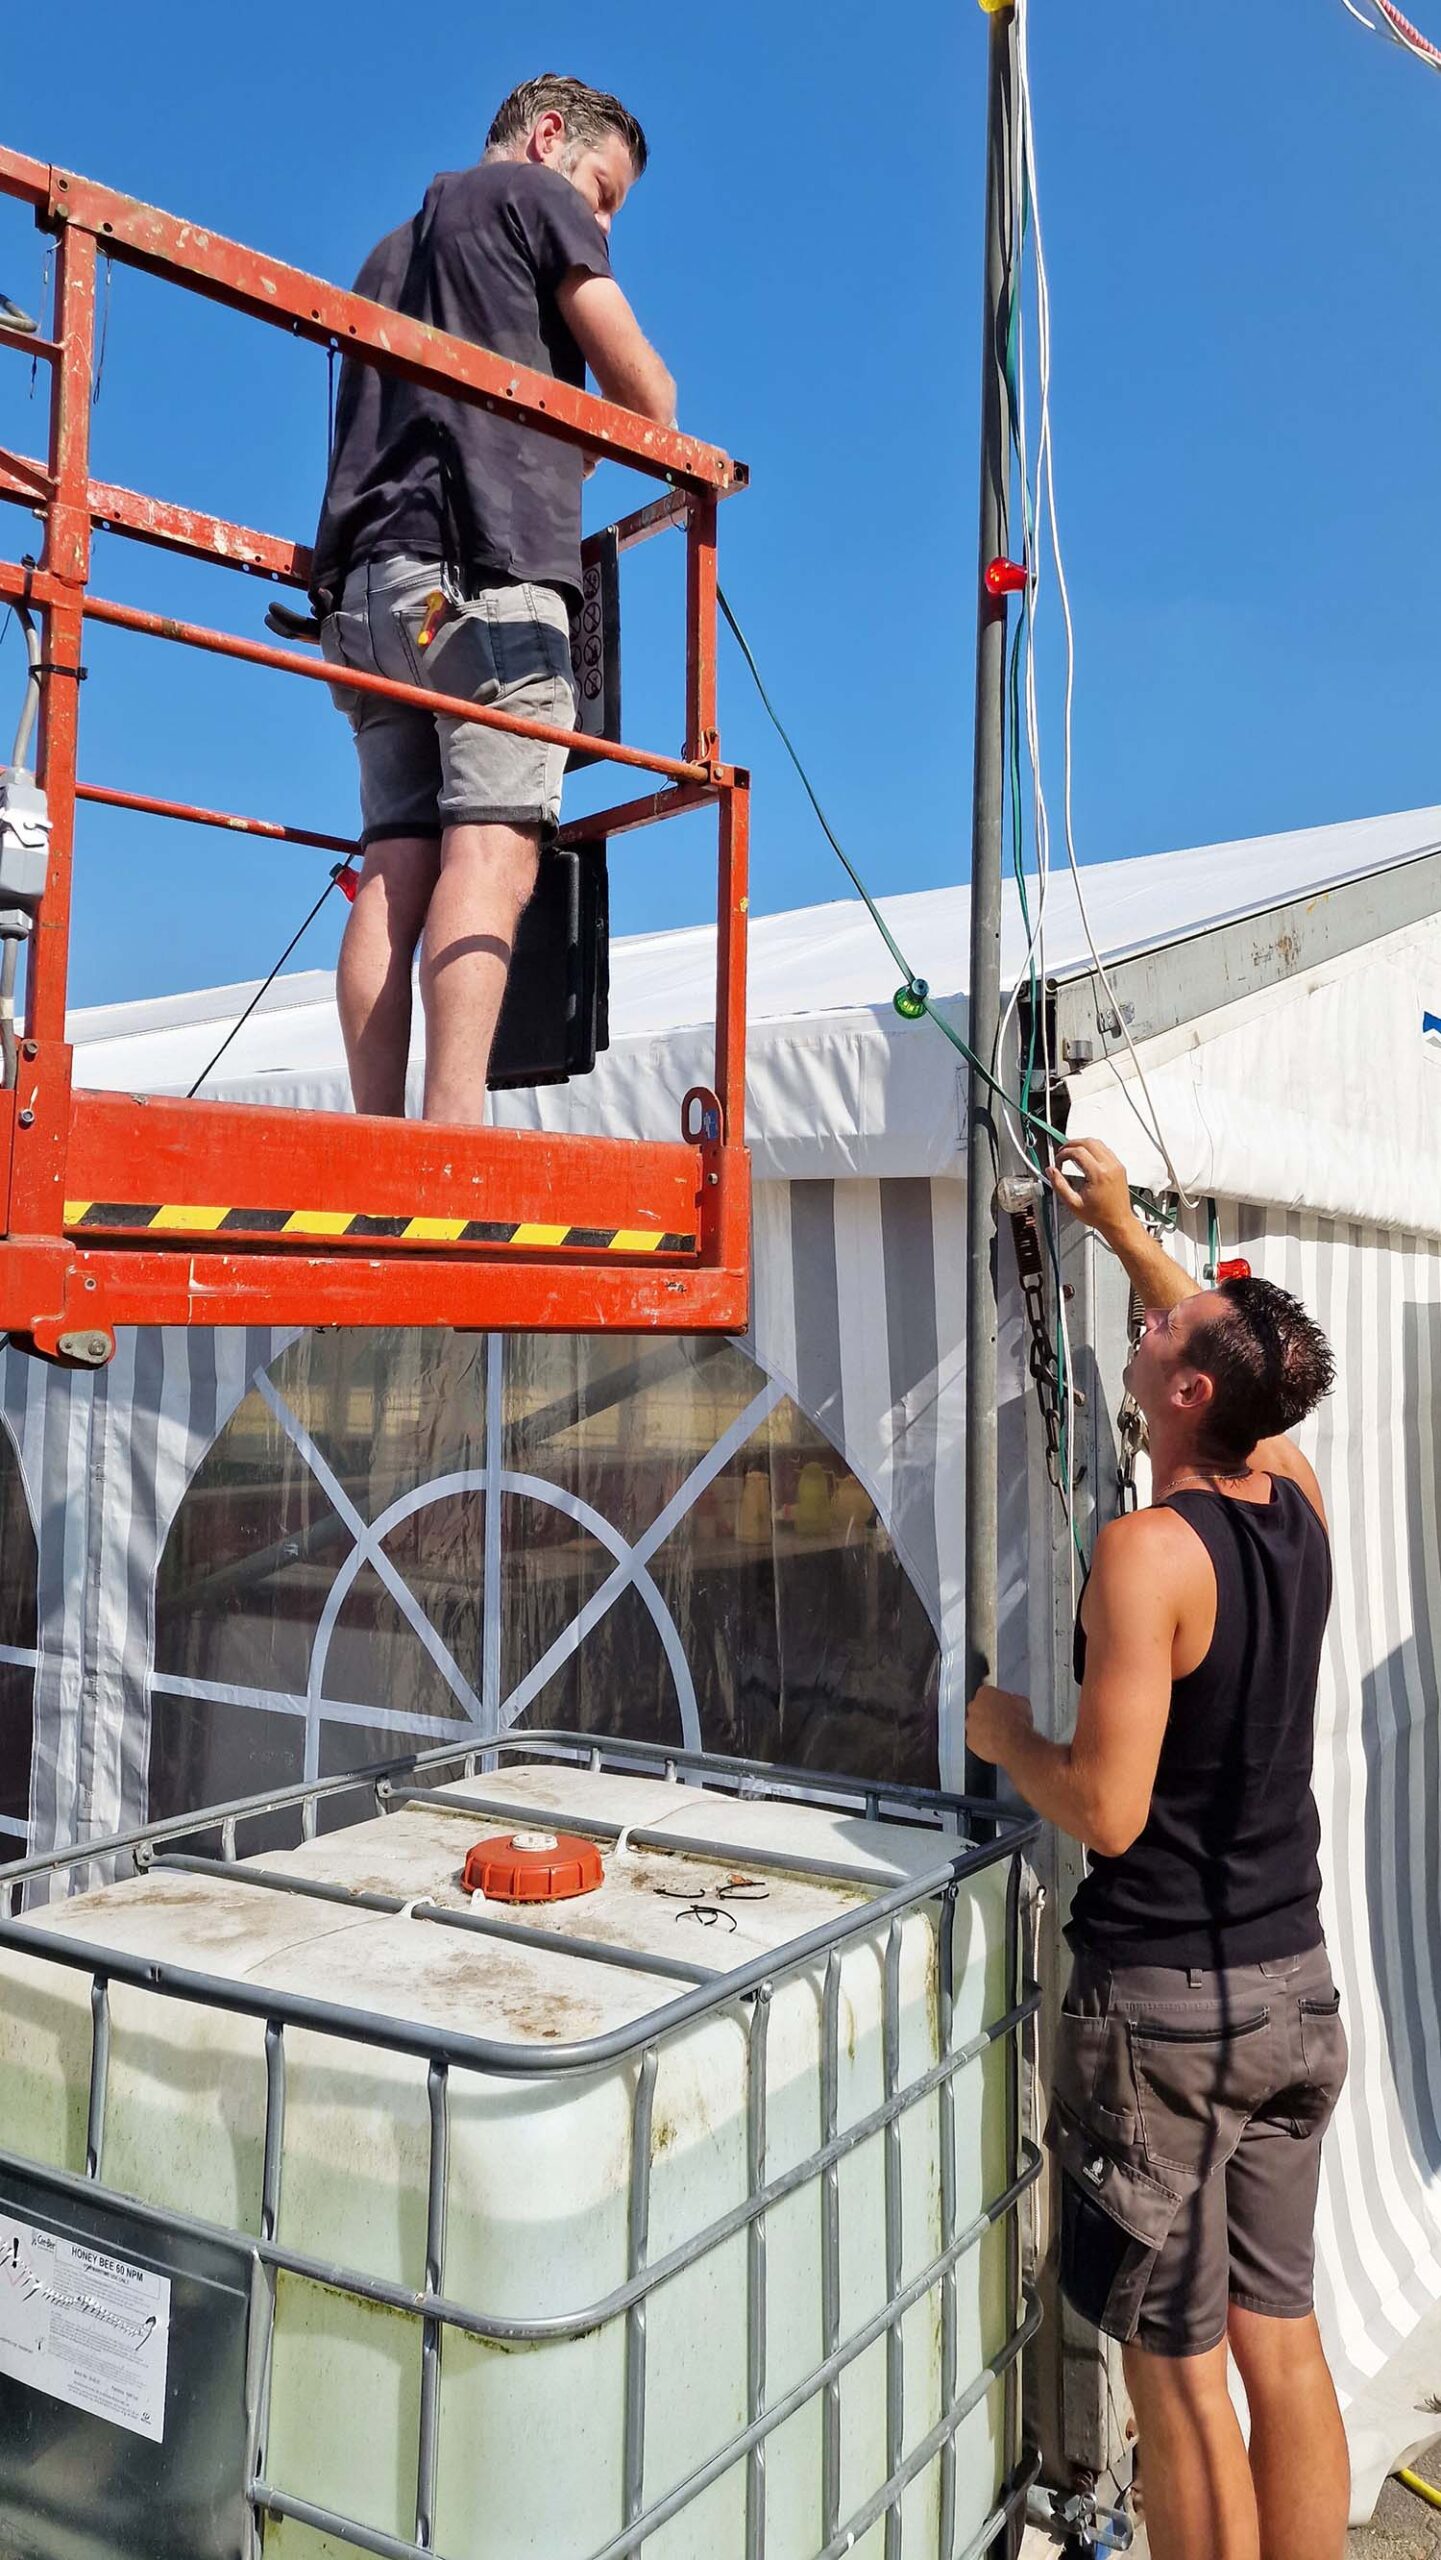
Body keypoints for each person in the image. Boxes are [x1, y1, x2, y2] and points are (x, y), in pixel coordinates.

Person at [967, 1136, 1348, 2560]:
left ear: (1190, 1392)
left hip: (1170, 2018)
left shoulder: (1147, 1554)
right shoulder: (1294, 1497)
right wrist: (1123, 1233)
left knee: (1175, 2369)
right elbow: (1241, 1354)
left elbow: (1108, 1813)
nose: (1150, 1319)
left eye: (1165, 1329)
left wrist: (1006, 1735)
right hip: (1294, 1989)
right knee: (1283, 2342)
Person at [311, 74, 676, 1122]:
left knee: (395, 859)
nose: (600, 219)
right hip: (481, 577)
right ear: (549, 139)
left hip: (371, 598)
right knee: (493, 846)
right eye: (603, 192)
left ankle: (378, 1135)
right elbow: (648, 399)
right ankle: (452, 1133)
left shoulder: (385, 255)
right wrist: (595, 442)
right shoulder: (529, 197)